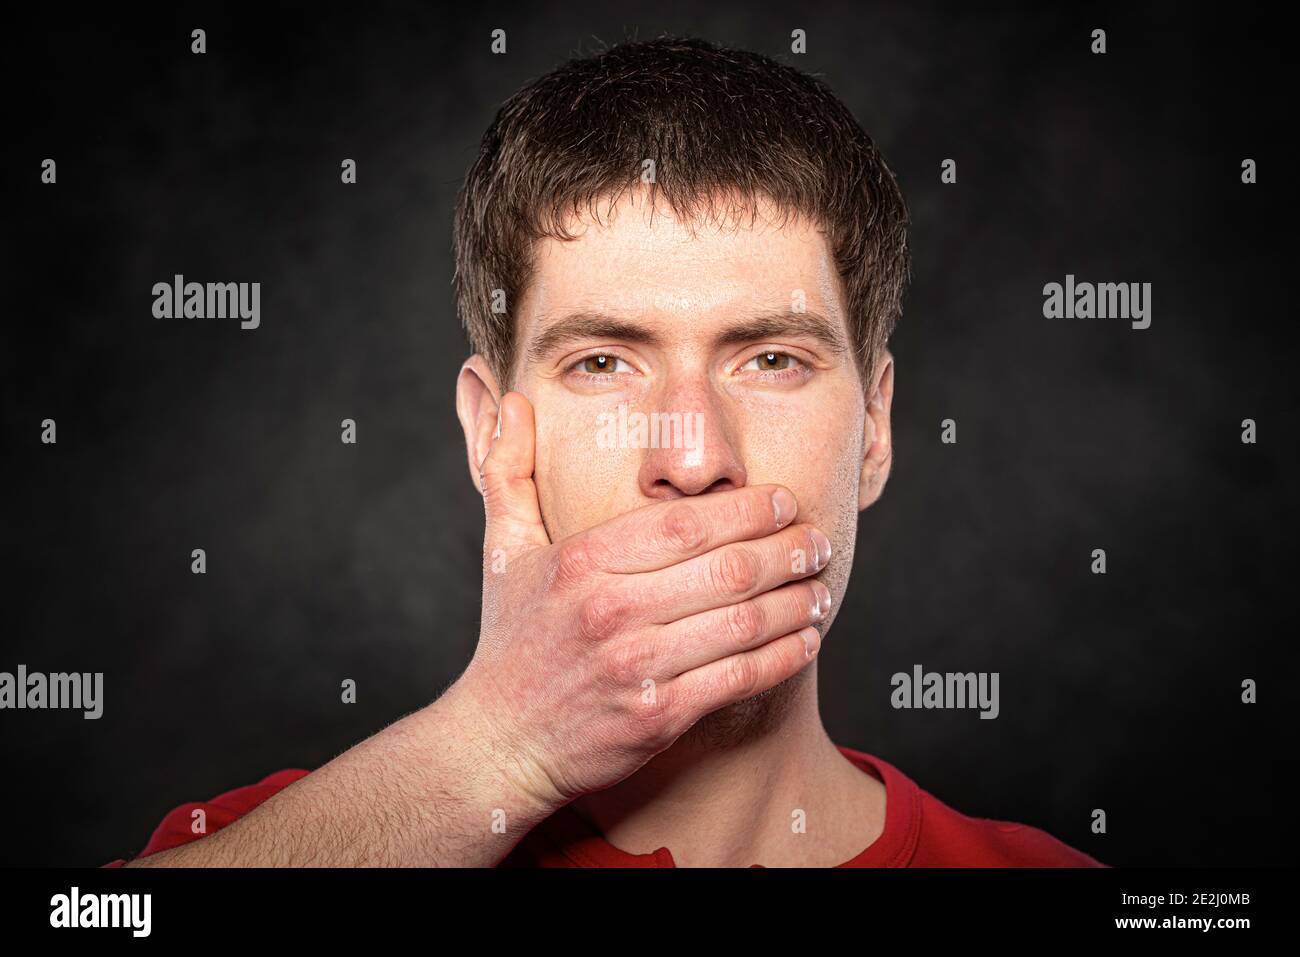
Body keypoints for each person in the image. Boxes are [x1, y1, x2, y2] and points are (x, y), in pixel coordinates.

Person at [106, 36, 1102, 869]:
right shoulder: (286, 842)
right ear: (493, 434)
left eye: (769, 357)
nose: (693, 457)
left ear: (875, 430)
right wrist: (495, 750)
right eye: (601, 363)